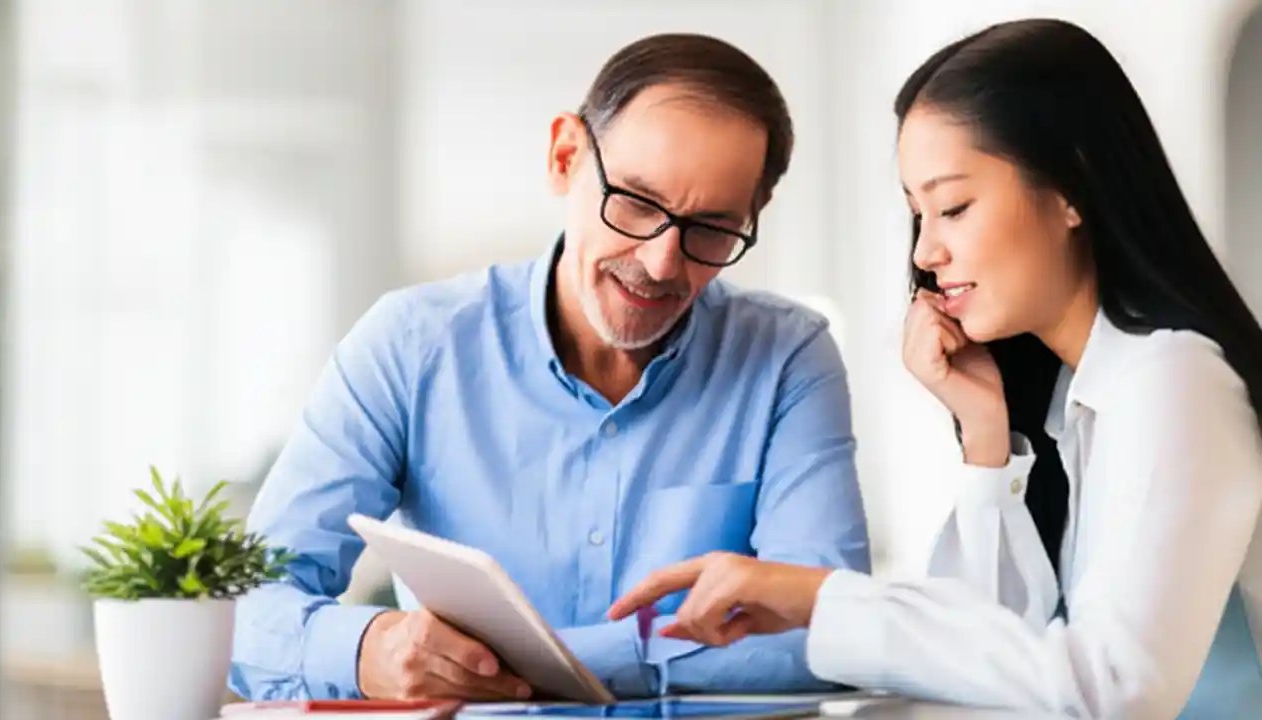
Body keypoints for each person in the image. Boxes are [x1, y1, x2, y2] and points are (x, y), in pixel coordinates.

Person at [608, 18, 1262, 720]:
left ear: (1074, 186)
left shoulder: (1173, 379)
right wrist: (987, 440)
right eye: (917, 213)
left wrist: (815, 596)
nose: (925, 252)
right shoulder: (1080, 402)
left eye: (952, 206)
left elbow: (1109, 689)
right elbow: (994, 662)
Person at [229, 33, 870, 702]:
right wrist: (373, 650)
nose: (660, 265)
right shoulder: (410, 345)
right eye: (636, 202)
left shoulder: (788, 357)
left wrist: (542, 661)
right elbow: (250, 610)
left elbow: (824, 629)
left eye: (712, 227)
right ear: (565, 157)